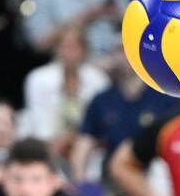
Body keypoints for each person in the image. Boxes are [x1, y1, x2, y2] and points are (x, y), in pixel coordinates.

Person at [70, 50, 172, 187]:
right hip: (114, 179)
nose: (126, 56)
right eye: (120, 51)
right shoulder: (102, 99)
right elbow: (83, 146)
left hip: (155, 176)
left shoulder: (164, 96)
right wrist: (81, 185)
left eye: (130, 50)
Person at [20, 28, 109, 162]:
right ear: (57, 49)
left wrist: (75, 141)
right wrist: (58, 143)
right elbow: (39, 125)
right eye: (64, 46)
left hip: (89, 149)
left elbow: (102, 123)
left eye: (74, 46)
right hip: (47, 147)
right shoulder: (38, 78)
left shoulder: (98, 80)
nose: (68, 52)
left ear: (85, 50)